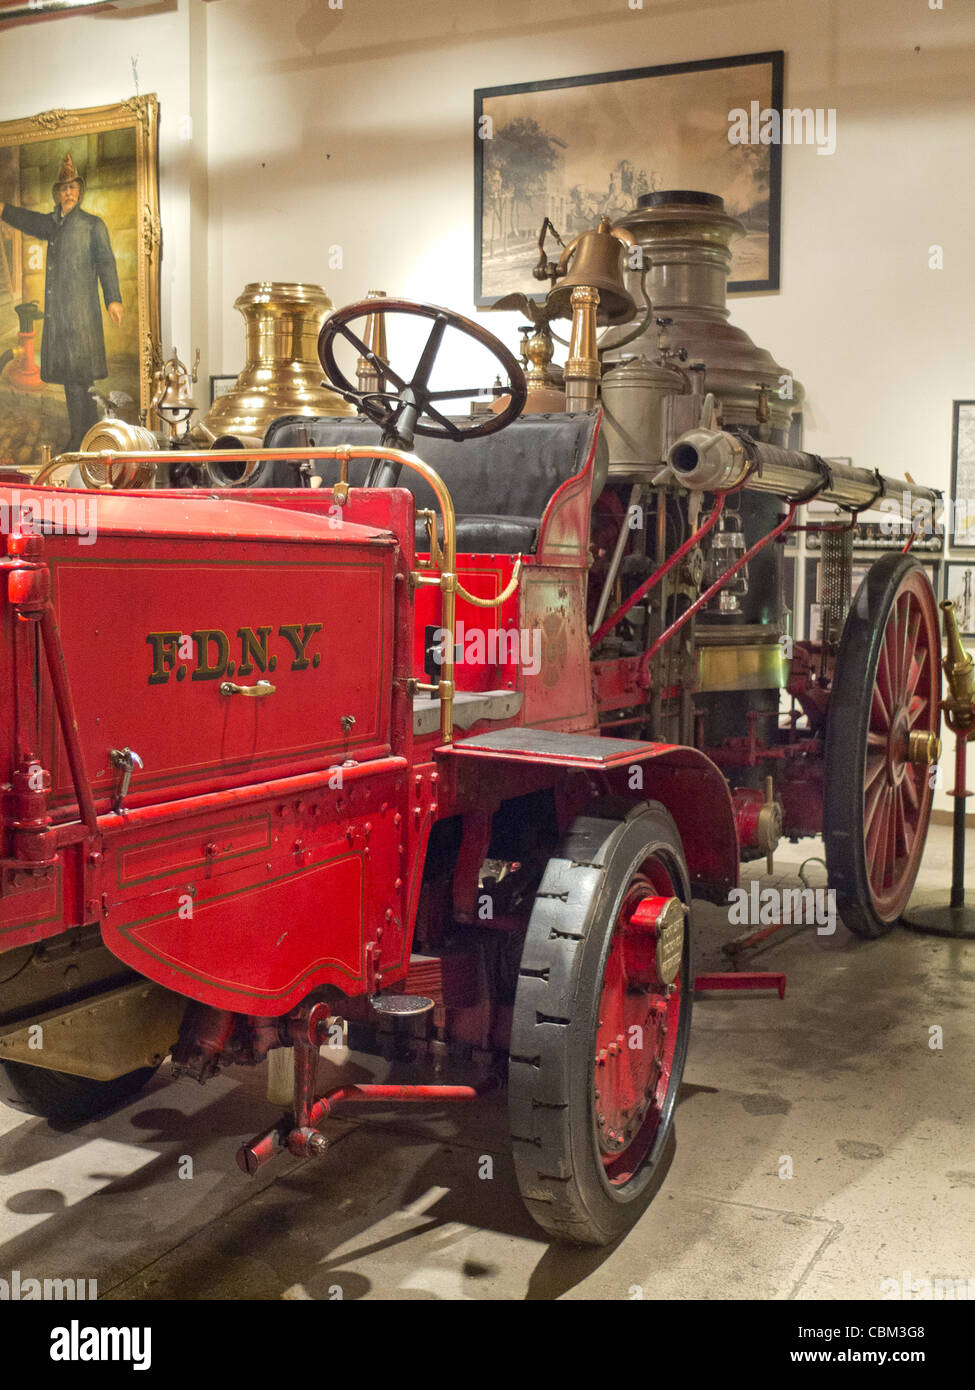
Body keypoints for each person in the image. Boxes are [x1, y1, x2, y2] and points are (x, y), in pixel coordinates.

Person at [0, 152, 123, 451]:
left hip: (82, 317)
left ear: (79, 191)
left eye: (72, 187)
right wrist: (4, 210)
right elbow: (29, 221)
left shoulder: (93, 225)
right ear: (57, 193)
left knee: (81, 380)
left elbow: (106, 264)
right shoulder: (53, 224)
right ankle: (83, 437)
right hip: (61, 318)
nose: (68, 192)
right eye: (63, 188)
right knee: (72, 381)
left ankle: (87, 437)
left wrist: (113, 300)